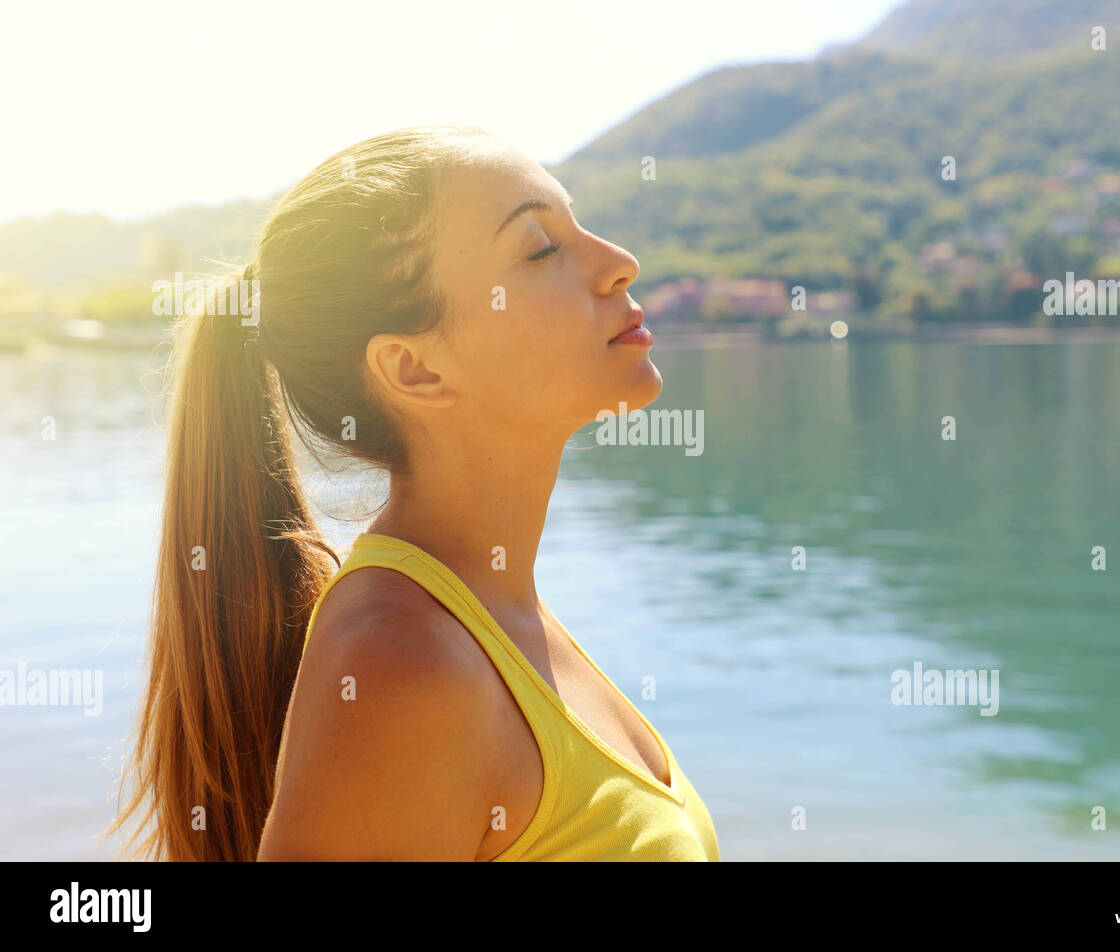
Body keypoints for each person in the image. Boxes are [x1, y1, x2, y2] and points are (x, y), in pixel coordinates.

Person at [107, 124, 720, 861]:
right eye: (540, 248)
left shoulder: (493, 617)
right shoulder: (404, 663)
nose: (620, 263)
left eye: (577, 223)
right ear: (413, 370)